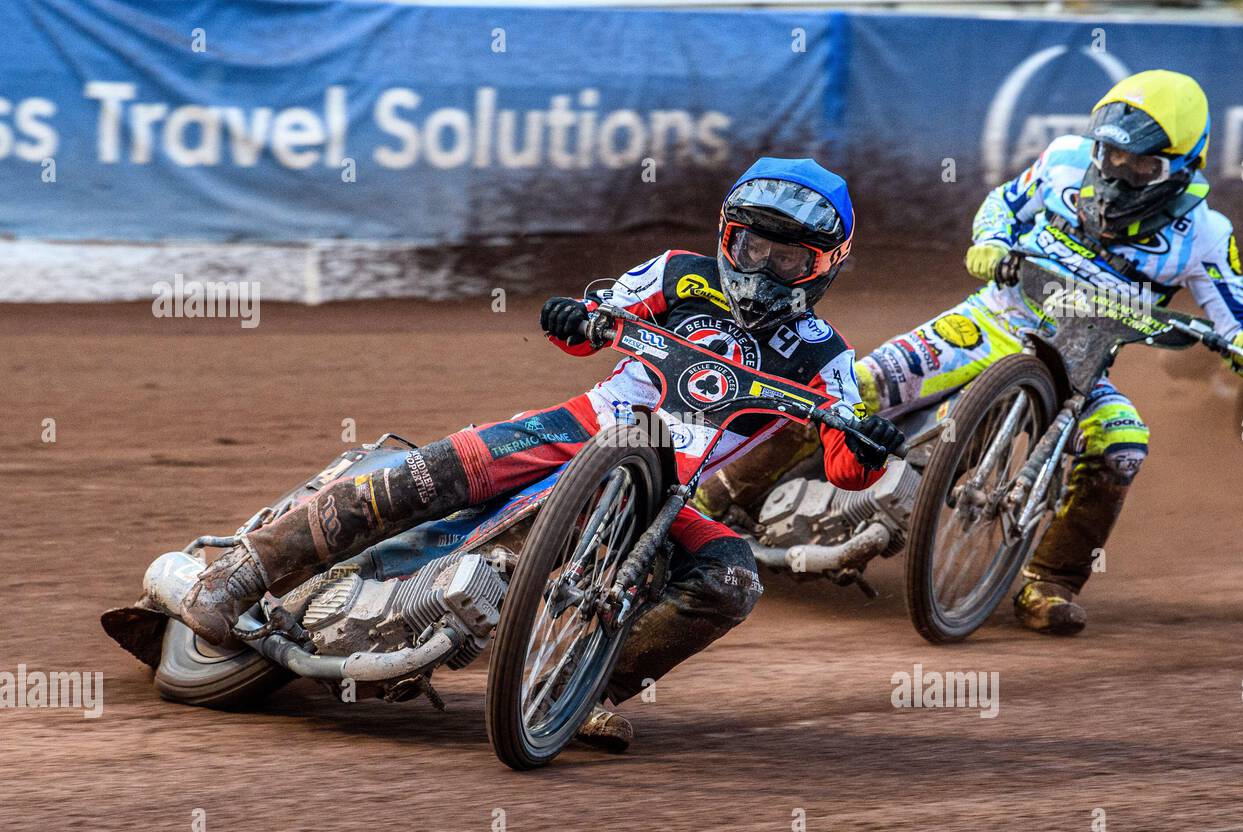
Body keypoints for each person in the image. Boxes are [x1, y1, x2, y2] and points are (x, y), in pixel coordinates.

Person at [175, 157, 905, 750]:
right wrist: (578, 317)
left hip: (670, 494)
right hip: (581, 426)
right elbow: (593, 322)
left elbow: (847, 465)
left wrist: (868, 445)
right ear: (727, 235)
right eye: (754, 246)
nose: (764, 267)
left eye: (789, 257)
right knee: (433, 471)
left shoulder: (827, 359)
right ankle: (241, 577)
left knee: (734, 578)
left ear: (826, 265)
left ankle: (584, 687)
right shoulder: (679, 271)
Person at [698, 71, 1243, 636]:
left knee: (1123, 444)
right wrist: (992, 241)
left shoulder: (1205, 233)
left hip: (1083, 365)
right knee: (855, 388)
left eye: (1141, 165)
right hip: (991, 320)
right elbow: (1005, 203)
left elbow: (1240, 316)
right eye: (1112, 155)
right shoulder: (1065, 160)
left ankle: (1050, 582)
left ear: (1185, 165)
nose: (1120, 172)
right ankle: (714, 501)